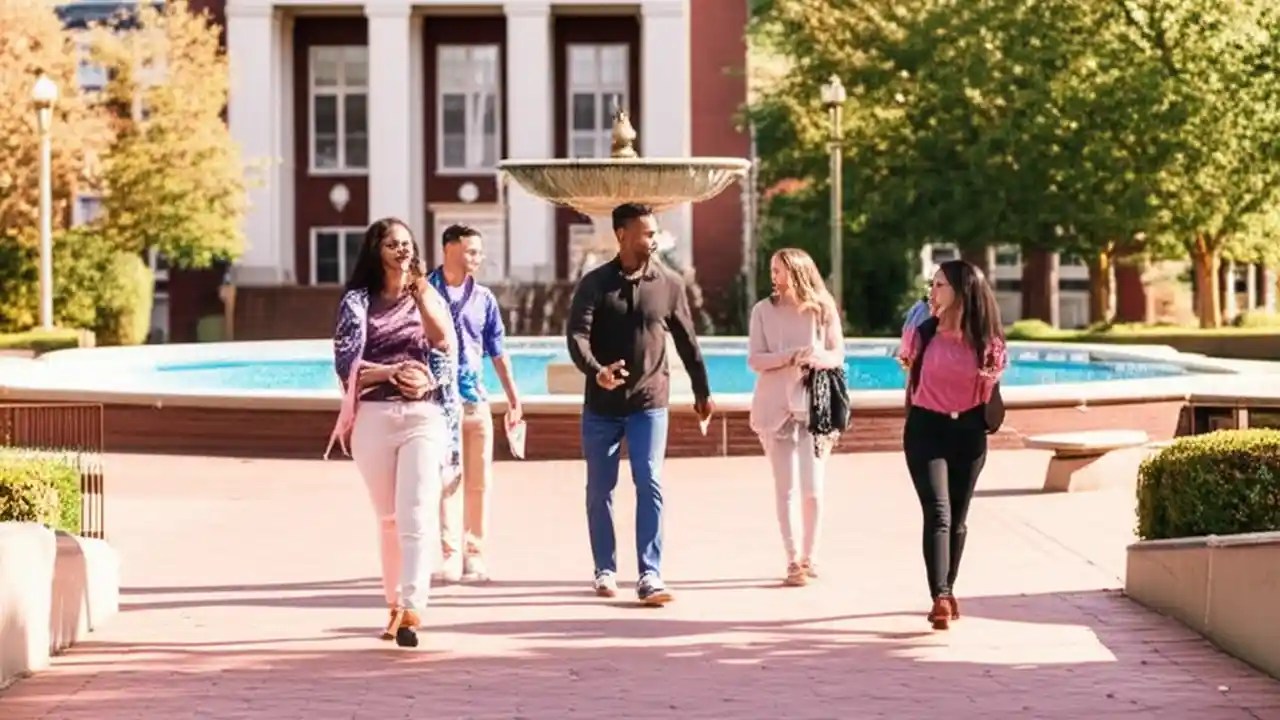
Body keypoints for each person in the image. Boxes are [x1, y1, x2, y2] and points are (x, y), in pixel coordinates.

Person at [566, 202, 714, 606]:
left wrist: (702, 391)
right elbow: (576, 336)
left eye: (654, 232)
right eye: (645, 233)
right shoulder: (595, 284)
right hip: (601, 405)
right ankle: (605, 568)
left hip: (650, 402)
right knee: (600, 489)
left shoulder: (669, 284)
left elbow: (687, 340)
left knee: (649, 481)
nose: (653, 239)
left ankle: (650, 574)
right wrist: (596, 369)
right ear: (621, 234)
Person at [328, 217, 462, 648]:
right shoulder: (357, 303)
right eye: (392, 244)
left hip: (424, 416)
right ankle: (392, 607)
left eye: (406, 243)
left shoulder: (427, 293)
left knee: (417, 513)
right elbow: (346, 366)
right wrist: (391, 372)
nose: (402, 250)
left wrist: (428, 380)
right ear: (376, 251)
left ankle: (412, 607)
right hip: (374, 416)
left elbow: (444, 345)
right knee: (388, 518)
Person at [896, 259, 1007, 631]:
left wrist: (989, 371)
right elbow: (909, 380)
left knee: (958, 519)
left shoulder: (988, 344)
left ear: (962, 291)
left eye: (940, 285)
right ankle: (940, 595)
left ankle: (949, 589)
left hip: (968, 433)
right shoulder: (922, 332)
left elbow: (988, 393)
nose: (933, 291)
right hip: (926, 430)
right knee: (938, 511)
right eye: (933, 284)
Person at [427, 224, 522, 584]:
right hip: (437, 405)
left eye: (479, 253)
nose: (477, 258)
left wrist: (513, 397)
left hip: (476, 401)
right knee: (446, 480)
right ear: (448, 249)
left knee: (479, 482)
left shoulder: (484, 299)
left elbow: (497, 351)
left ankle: (475, 555)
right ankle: (450, 555)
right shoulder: (423, 294)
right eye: (470, 251)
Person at [747, 248, 845, 586]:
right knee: (785, 488)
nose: (774, 275)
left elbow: (838, 355)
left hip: (813, 410)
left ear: (798, 271)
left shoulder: (822, 309)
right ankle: (792, 561)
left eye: (780, 269)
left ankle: (810, 556)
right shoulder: (763, 310)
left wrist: (817, 357)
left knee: (813, 489)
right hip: (773, 409)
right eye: (772, 269)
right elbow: (755, 360)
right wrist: (790, 356)